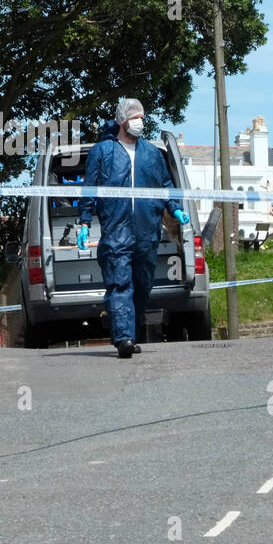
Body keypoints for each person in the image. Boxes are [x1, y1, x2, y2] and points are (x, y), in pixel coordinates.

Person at [77, 98, 190, 358]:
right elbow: (88, 189)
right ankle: (124, 338)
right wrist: (84, 222)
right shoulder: (103, 151)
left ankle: (130, 331)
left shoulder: (152, 154)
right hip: (116, 231)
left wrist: (175, 208)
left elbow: (165, 185)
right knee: (119, 284)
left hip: (147, 231)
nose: (140, 121)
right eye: (134, 116)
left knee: (142, 285)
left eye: (142, 116)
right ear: (121, 120)